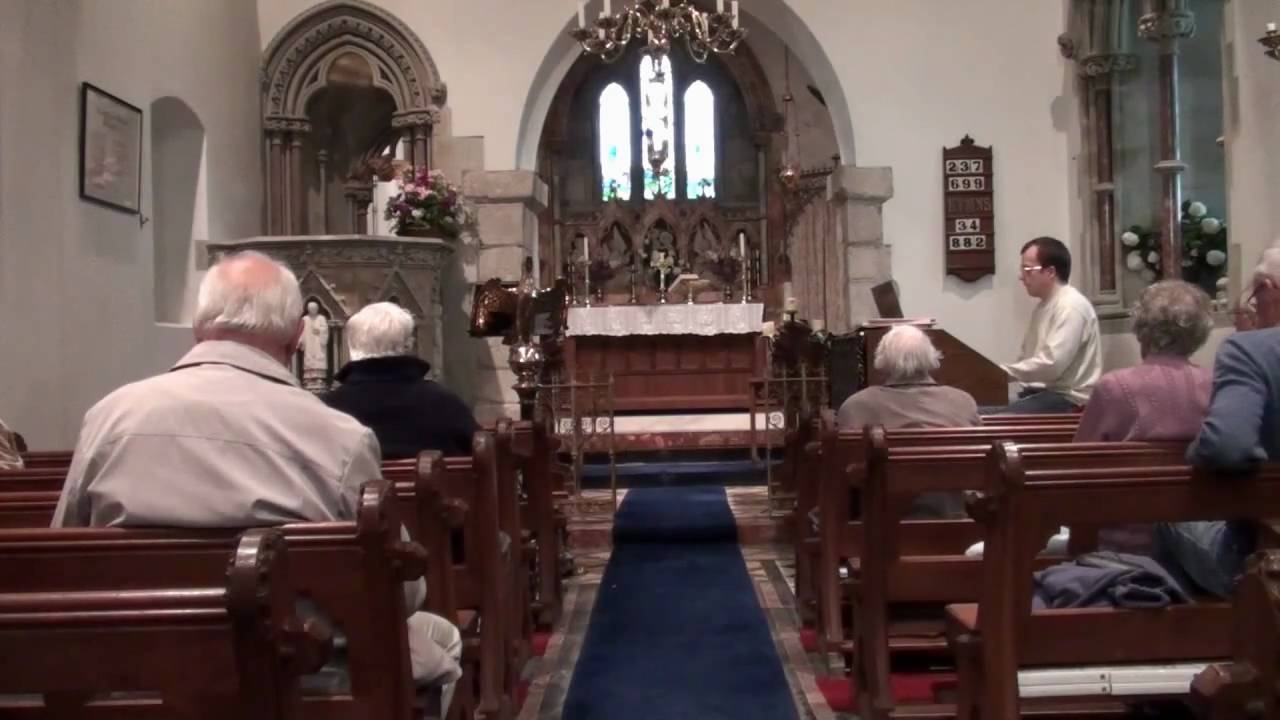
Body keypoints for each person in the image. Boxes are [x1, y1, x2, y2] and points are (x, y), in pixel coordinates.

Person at [50, 251, 462, 708]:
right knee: (438, 637)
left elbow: (66, 554)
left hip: (140, 679)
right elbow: (400, 588)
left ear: (197, 326)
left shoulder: (110, 417)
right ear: (299, 334)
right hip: (303, 680)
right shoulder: (338, 436)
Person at [1158, 246, 1280, 598]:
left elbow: (1227, 446)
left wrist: (1196, 448)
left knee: (1168, 515)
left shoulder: (1249, 350)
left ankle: (1218, 639)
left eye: (1255, 295)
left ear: (1268, 288)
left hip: (1266, 556)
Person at [1074, 280, 1214, 553]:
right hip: (1202, 544)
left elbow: (1078, 468)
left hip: (1124, 545)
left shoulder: (1114, 386)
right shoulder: (1218, 384)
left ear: (1141, 331)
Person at [838, 324, 980, 517]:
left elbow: (848, 473)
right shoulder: (963, 402)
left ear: (882, 359)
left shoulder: (856, 406)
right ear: (931, 356)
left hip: (881, 526)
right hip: (955, 519)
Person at [324, 302, 478, 458]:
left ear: (351, 347)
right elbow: (480, 454)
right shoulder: (444, 403)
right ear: (409, 345)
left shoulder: (327, 410)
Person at [997, 237, 1102, 413]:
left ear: (1050, 272)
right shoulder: (1044, 306)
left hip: (1067, 400)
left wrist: (1002, 373)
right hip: (1043, 396)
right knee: (974, 413)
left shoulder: (1071, 306)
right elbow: (1027, 357)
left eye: (1028, 269)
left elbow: (1052, 364)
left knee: (988, 423)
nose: (1021, 277)